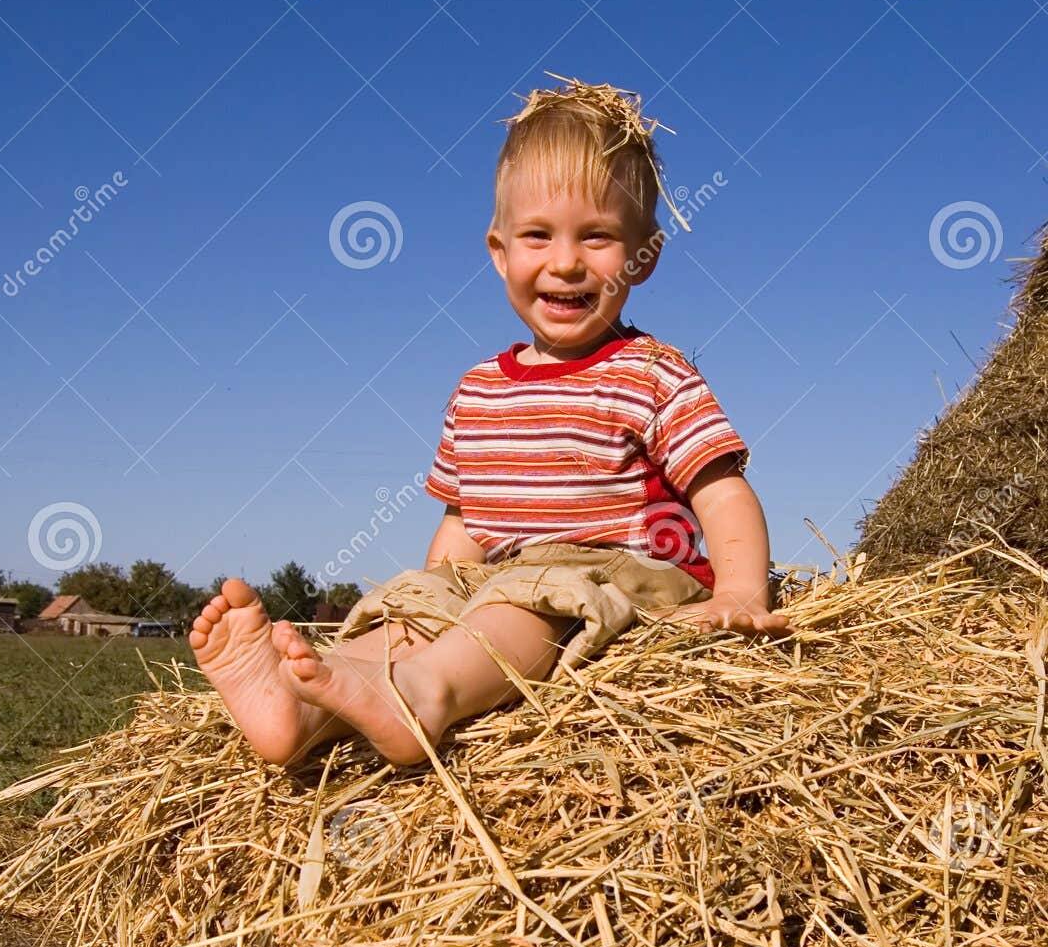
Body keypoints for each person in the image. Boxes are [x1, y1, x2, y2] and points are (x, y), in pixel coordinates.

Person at [190, 75, 789, 769]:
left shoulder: (651, 373)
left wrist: (741, 592)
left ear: (642, 257)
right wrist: (431, 598)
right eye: (537, 236)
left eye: (596, 238)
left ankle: (424, 697)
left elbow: (721, 490)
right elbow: (465, 525)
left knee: (527, 601)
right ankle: (306, 705)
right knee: (424, 605)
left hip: (622, 580)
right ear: (499, 252)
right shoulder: (477, 390)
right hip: (504, 582)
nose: (564, 262)